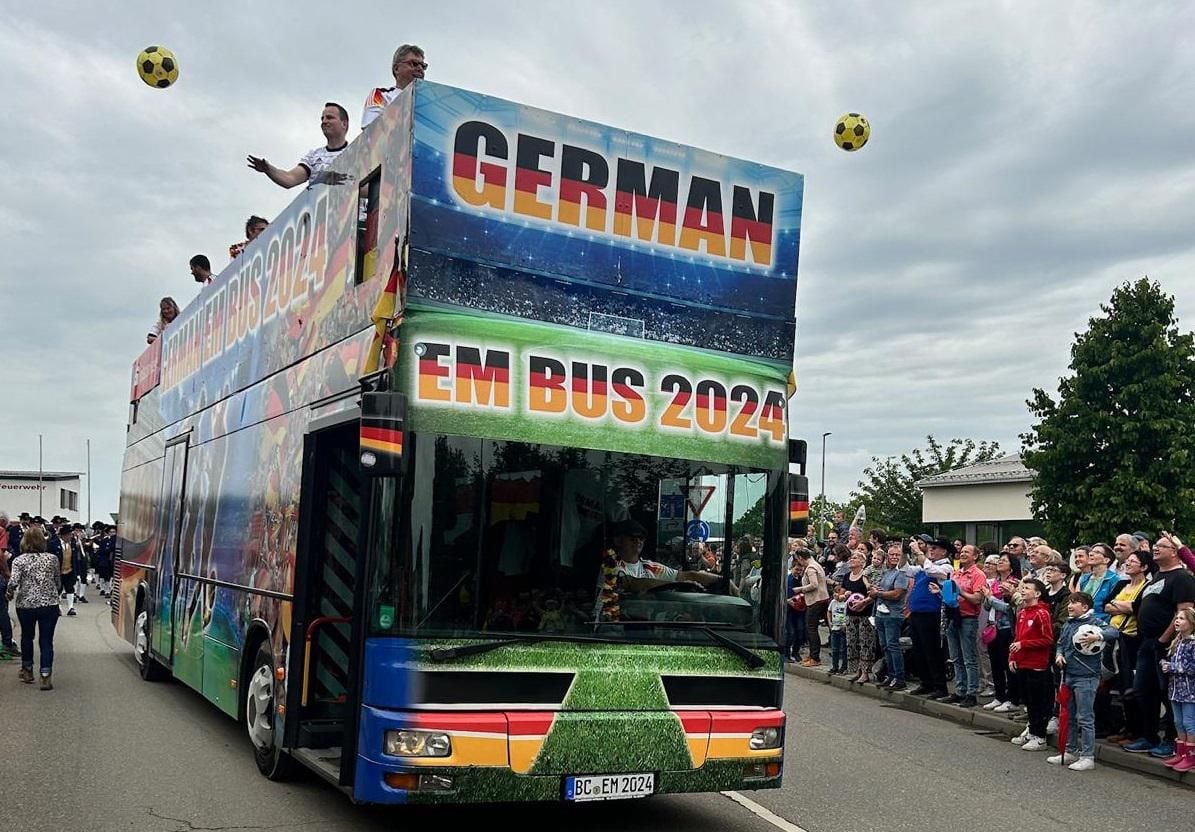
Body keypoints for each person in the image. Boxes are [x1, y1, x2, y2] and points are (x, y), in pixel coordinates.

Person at [1123, 532, 1195, 757]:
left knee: (1169, 693)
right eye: (1155, 545)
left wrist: (1164, 640)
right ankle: (1149, 736)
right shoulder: (1155, 577)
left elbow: (1183, 611)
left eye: (1162, 546)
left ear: (1174, 552)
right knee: (1144, 690)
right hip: (1146, 642)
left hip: (1165, 644)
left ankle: (1173, 741)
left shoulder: (1182, 577)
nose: (1155, 549)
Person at [593, 519, 722, 621]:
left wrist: (722, 581)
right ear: (618, 540)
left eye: (641, 538)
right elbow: (634, 584)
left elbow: (689, 575)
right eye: (632, 537)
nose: (638, 541)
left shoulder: (650, 567)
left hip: (644, 628)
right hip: (610, 627)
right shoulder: (611, 565)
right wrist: (676, 585)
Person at [1050, 591, 1120, 771]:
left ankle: (1088, 756)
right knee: (1069, 716)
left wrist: (1097, 637)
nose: (1070, 606)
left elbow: (1114, 631)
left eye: (1075, 603)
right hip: (1068, 676)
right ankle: (1070, 750)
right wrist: (1059, 656)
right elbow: (1060, 644)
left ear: (1086, 607)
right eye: (1070, 602)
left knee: (1085, 718)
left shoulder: (1094, 623)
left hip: (1087, 677)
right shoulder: (1068, 624)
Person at [5, 526, 61, 689]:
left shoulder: (19, 560)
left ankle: (27, 669)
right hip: (49, 604)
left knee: (27, 637)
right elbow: (57, 581)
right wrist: (54, 591)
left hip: (26, 604)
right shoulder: (52, 559)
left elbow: (13, 582)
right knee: (46, 641)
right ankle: (45, 674)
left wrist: (9, 593)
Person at [248, 103, 351, 189]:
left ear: (344, 124)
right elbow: (290, 179)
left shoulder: (357, 152)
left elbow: (365, 189)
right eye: (322, 118)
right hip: (321, 212)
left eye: (329, 118)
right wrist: (269, 169)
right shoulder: (313, 156)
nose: (324, 122)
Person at [1009, 577, 1055, 751]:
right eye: (1022, 587)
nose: (1022, 590)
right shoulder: (1022, 613)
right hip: (1022, 662)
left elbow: (1047, 639)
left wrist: (1024, 645)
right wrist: (1012, 657)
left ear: (1037, 593)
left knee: (1038, 701)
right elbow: (1017, 638)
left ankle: (1040, 735)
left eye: (1027, 588)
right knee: (1028, 700)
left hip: (1036, 663)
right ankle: (1031, 729)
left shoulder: (1041, 613)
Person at [907, 537, 953, 699]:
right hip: (918, 613)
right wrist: (901, 553)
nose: (931, 551)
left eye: (935, 548)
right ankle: (926, 682)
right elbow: (906, 570)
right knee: (919, 650)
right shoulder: (925, 566)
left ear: (944, 551)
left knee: (932, 651)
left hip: (932, 614)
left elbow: (931, 570)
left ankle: (939, 686)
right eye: (930, 548)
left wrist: (920, 553)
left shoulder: (945, 567)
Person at [944, 543, 986, 707]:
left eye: (967, 552)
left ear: (975, 556)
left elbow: (977, 599)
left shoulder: (978, 575)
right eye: (961, 552)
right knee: (956, 657)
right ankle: (960, 690)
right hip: (953, 616)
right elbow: (951, 593)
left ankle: (971, 692)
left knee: (969, 658)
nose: (962, 554)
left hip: (968, 618)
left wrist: (960, 591)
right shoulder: (957, 572)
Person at [870, 539, 910, 690]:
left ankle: (899, 678)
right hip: (880, 613)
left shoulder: (902, 573)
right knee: (885, 646)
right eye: (892, 554)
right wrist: (875, 591)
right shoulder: (886, 572)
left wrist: (878, 593)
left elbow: (897, 594)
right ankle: (891, 675)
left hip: (893, 614)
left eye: (897, 555)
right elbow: (880, 589)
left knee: (893, 646)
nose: (894, 557)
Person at [1160, 609, 1195, 771]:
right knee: (1178, 722)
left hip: (1189, 692)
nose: (1177, 621)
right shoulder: (1178, 641)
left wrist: (1171, 667)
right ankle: (1180, 753)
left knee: (1189, 723)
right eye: (1177, 618)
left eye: (1182, 618)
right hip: (1175, 690)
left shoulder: (1193, 644)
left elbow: (1191, 667)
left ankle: (1191, 756)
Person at [361, 44, 427, 129]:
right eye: (414, 64)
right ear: (396, 68)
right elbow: (370, 130)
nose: (420, 69)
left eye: (423, 66)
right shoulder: (380, 95)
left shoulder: (429, 101)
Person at [840, 551, 875, 683]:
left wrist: (863, 602)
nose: (851, 560)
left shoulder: (866, 576)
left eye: (855, 558)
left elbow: (872, 593)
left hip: (865, 614)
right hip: (850, 613)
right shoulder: (847, 576)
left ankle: (865, 672)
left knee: (865, 642)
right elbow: (840, 595)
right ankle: (857, 670)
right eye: (851, 558)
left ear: (862, 561)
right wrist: (844, 596)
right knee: (852, 642)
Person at [792, 548, 829, 667]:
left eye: (798, 559)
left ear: (801, 558)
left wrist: (800, 589)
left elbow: (814, 584)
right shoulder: (816, 565)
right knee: (811, 628)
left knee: (811, 629)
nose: (798, 562)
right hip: (821, 599)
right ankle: (812, 655)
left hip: (815, 600)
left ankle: (815, 657)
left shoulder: (811, 568)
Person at [827, 584, 849, 674]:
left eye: (838, 592)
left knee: (843, 649)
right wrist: (829, 622)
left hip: (843, 628)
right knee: (834, 649)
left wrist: (846, 624)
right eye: (835, 592)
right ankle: (834, 666)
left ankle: (844, 667)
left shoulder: (846, 603)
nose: (836, 594)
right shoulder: (833, 602)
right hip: (834, 628)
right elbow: (829, 611)